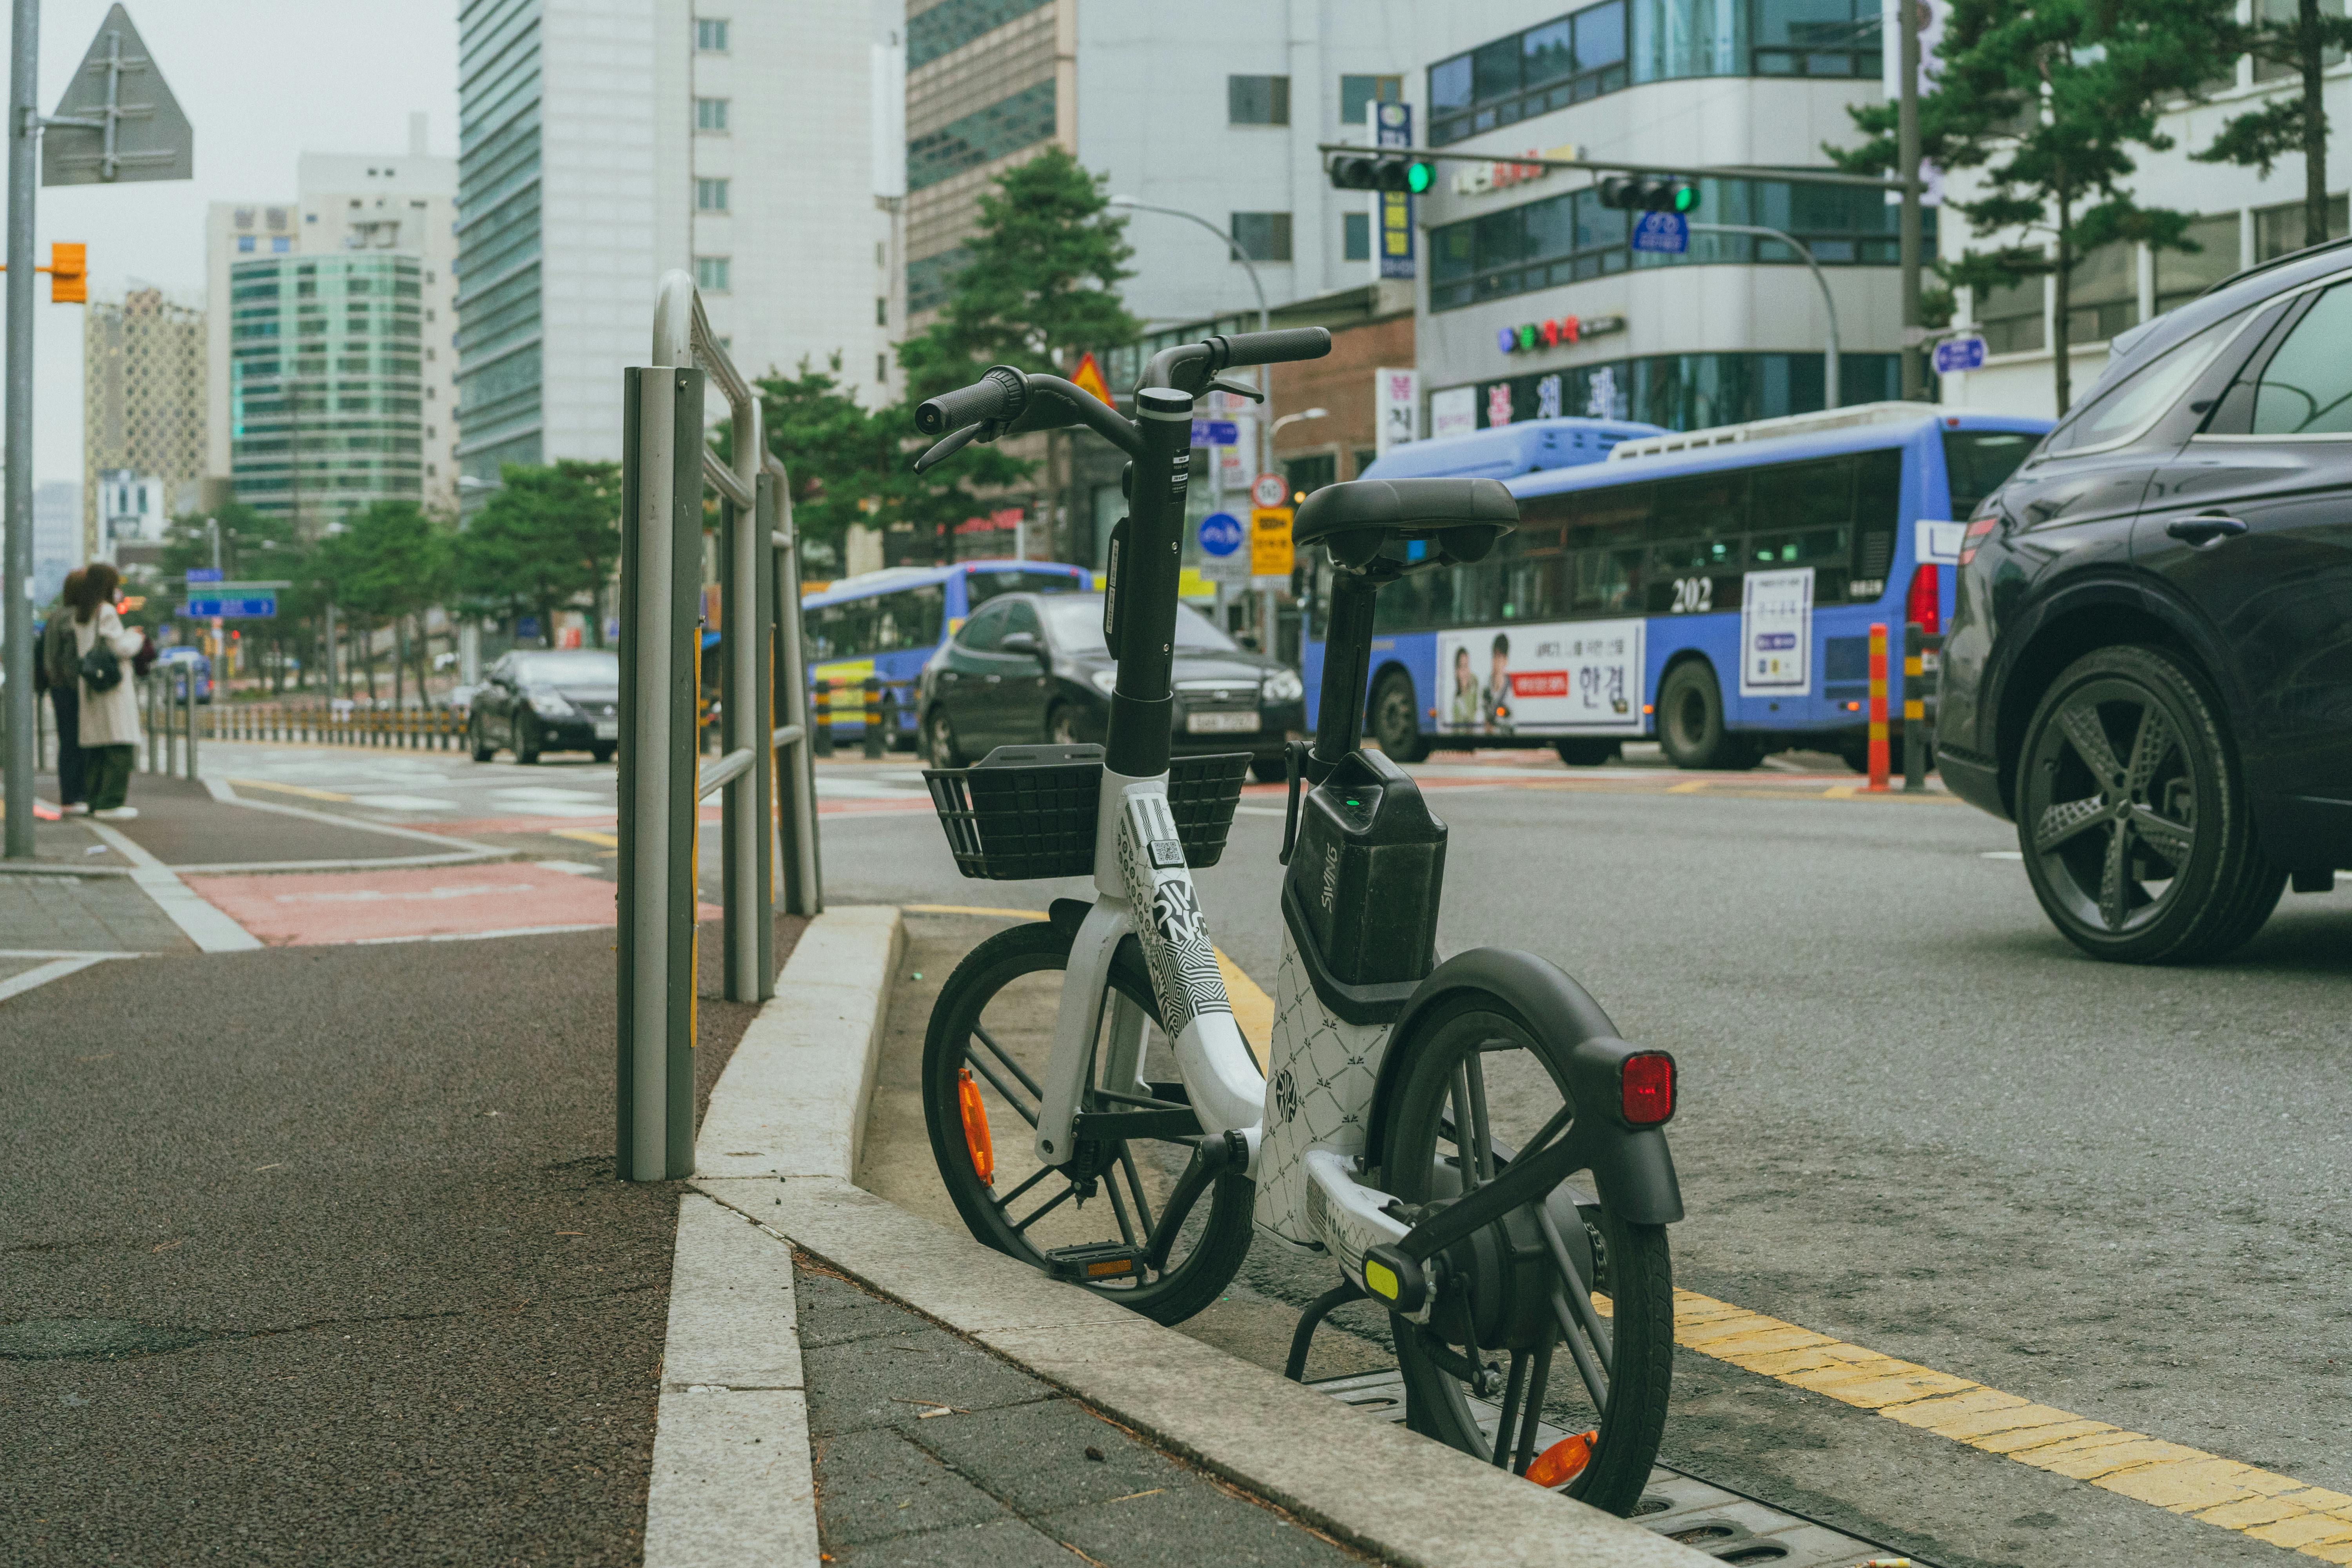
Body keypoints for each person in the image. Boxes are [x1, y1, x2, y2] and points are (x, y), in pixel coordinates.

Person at [66, 562, 145, 821]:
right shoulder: (107, 611)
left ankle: (95, 800)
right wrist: (136, 637)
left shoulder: (82, 613)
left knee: (97, 748)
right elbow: (119, 648)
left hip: (90, 684)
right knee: (119, 745)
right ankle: (111, 803)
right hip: (111, 687)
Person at [39, 570, 87, 813]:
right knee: (74, 741)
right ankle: (73, 795)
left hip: (62, 688)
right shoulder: (70, 618)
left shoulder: (56, 617)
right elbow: (53, 658)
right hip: (69, 688)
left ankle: (72, 795)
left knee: (69, 741)